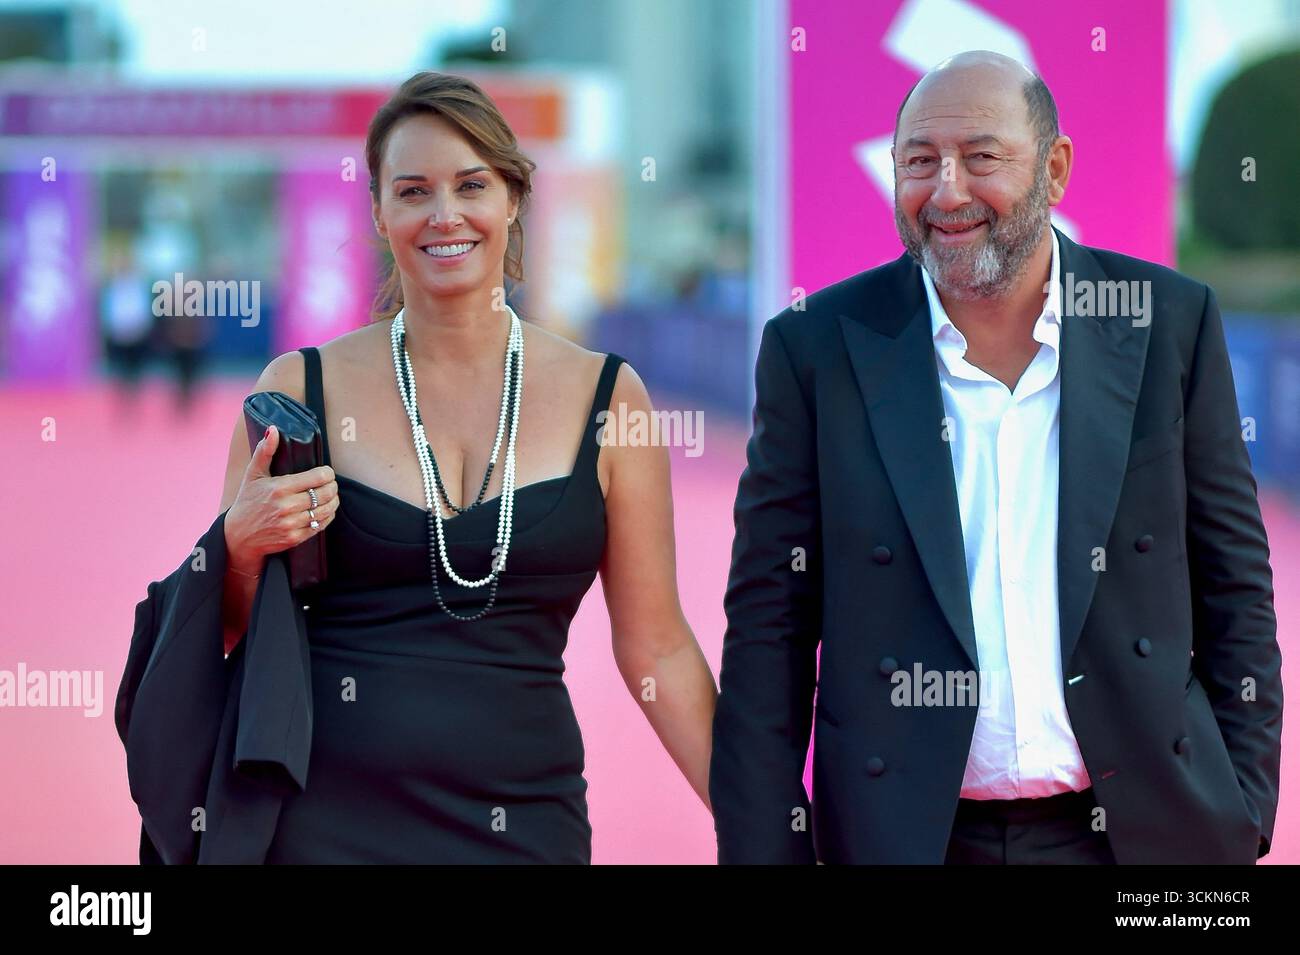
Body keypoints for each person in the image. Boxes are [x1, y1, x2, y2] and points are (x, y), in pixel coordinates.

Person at [122, 71, 715, 864]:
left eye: (472, 185)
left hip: (526, 822)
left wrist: (771, 820)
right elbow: (229, 623)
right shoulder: (299, 390)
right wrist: (236, 542)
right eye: (412, 191)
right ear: (379, 212)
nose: (445, 215)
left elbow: (658, 647)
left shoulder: (611, 399)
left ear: (513, 198)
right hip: (322, 826)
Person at [709, 51, 1281, 864]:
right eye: (918, 161)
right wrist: (768, 846)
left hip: (1146, 837)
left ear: (1055, 169)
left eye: (982, 157)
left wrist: (1244, 808)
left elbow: (1236, 585)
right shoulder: (817, 348)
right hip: (907, 838)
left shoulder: (1167, 325)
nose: (946, 191)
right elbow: (769, 626)